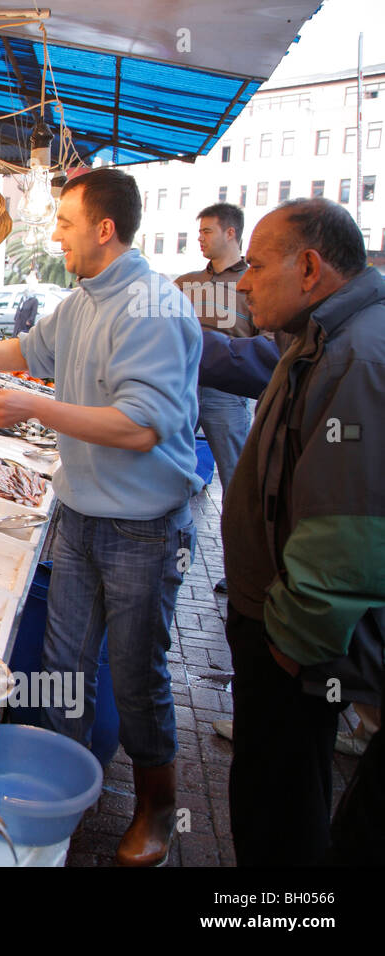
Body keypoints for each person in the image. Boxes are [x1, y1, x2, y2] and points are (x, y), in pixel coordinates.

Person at [0, 168, 203, 867]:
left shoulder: (151, 307)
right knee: (64, 663)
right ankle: (65, 782)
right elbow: (30, 352)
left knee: (136, 674)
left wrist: (33, 407)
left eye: (65, 223)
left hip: (142, 527)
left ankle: (158, 809)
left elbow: (143, 427)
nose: (55, 234)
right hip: (77, 513)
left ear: (105, 229)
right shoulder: (84, 299)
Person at [219, 197, 385, 866]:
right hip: (282, 634)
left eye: (257, 264)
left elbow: (347, 531)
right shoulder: (323, 338)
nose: (243, 279)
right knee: (278, 796)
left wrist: (290, 648)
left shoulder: (359, 359)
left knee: (281, 811)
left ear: (310, 267)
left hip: (298, 650)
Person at [174, 203, 258, 595]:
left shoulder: (251, 284)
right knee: (164, 465)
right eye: (200, 231)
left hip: (228, 394)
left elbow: (266, 343)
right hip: (181, 389)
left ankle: (243, 571)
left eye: (207, 231)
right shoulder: (184, 283)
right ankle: (167, 554)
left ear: (231, 233)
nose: (201, 238)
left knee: (238, 484)